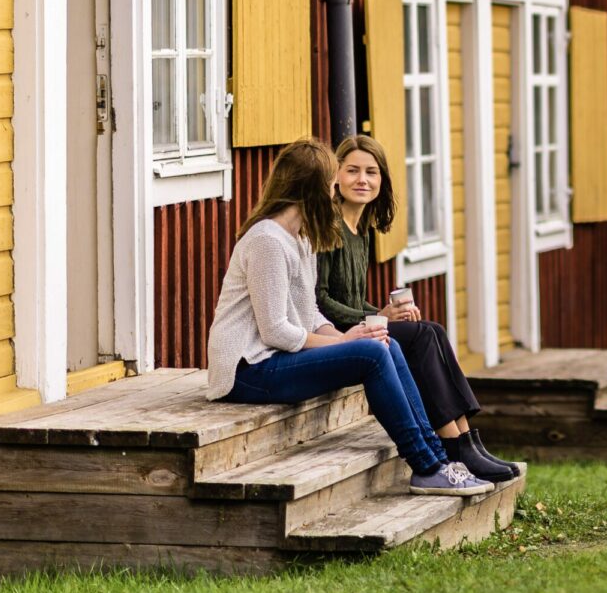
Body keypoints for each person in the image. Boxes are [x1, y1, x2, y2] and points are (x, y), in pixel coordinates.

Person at [205, 137, 493, 497]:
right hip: (246, 371)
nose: (334, 191)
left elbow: (308, 312)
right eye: (330, 183)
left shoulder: (301, 238)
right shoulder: (268, 241)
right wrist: (343, 341)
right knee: (370, 353)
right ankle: (426, 464)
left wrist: (349, 334)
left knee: (381, 344)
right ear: (312, 188)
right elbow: (275, 330)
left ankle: (438, 461)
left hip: (276, 360)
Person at [316, 134, 520, 485]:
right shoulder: (329, 226)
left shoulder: (361, 229)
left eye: (371, 172)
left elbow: (353, 298)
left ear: (382, 180)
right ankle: (455, 445)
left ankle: (467, 439)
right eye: (352, 171)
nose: (362, 180)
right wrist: (375, 317)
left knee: (433, 330)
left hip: (361, 327)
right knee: (423, 336)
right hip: (336, 336)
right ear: (335, 176)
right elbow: (320, 300)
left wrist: (382, 311)